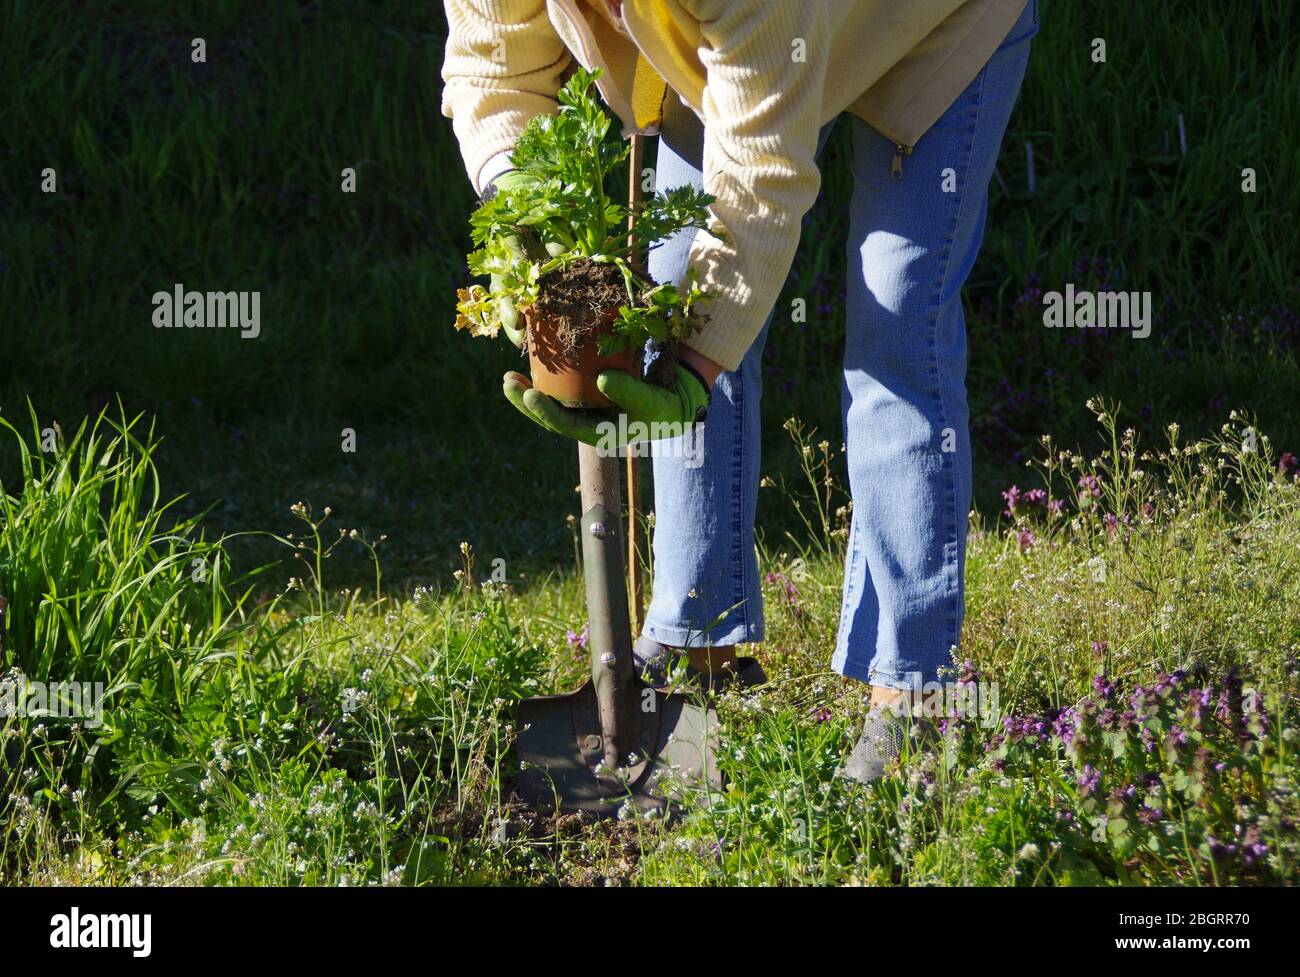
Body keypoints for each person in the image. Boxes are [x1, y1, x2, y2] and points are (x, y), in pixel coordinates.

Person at [441, 0, 1038, 782]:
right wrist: (534, 220)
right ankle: (699, 634)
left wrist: (695, 365)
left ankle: (912, 690)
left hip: (934, 24)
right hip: (749, 41)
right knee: (673, 276)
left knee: (895, 322)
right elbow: (494, 67)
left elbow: (760, 177)